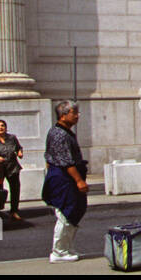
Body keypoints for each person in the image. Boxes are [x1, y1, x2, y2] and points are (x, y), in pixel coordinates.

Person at [43, 100, 88, 263]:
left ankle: (67, 247)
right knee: (65, 213)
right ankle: (59, 251)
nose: (77, 116)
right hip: (64, 178)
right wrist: (78, 181)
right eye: (74, 113)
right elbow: (66, 161)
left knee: (74, 211)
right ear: (63, 116)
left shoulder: (65, 132)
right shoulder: (59, 134)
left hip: (65, 177)